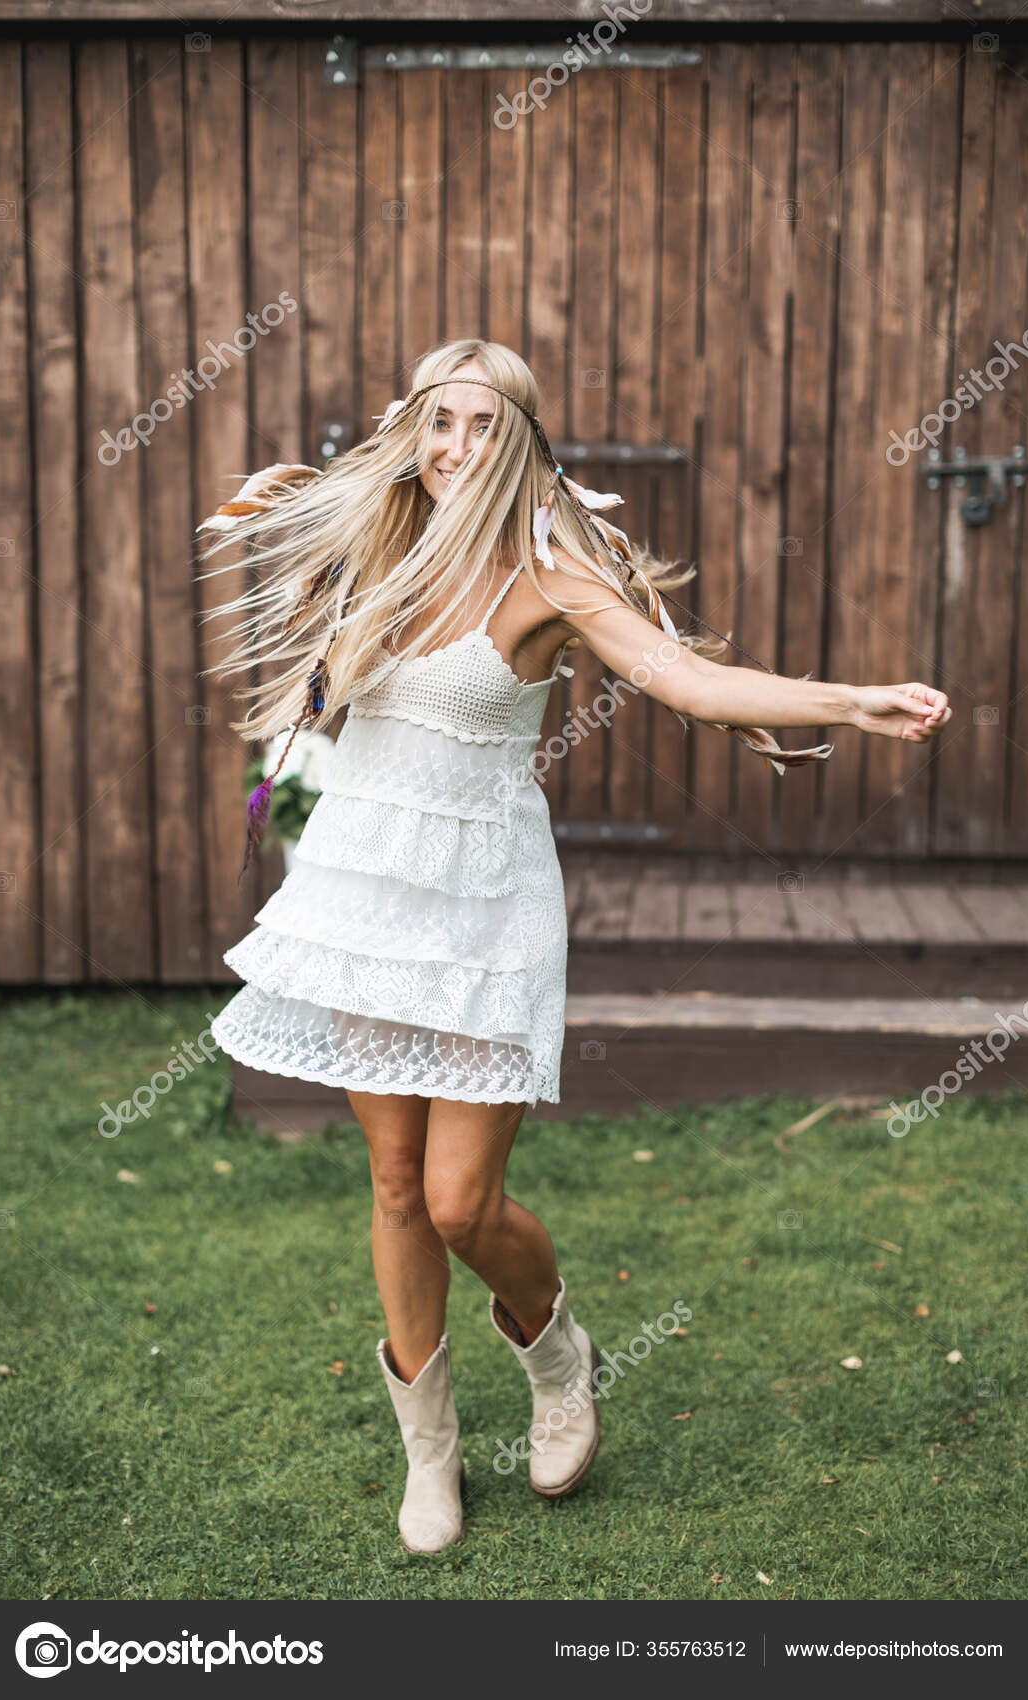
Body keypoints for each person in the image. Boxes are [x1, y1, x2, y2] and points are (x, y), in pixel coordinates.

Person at [196, 338, 951, 1555]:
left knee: (457, 1200)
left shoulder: (551, 575)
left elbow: (683, 680)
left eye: (481, 426)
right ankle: (430, 1456)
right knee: (392, 1184)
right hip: (360, 887)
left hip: (485, 899)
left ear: (523, 442)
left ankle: (555, 1352)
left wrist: (847, 702)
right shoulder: (377, 546)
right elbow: (322, 693)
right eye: (435, 421)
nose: (451, 448)